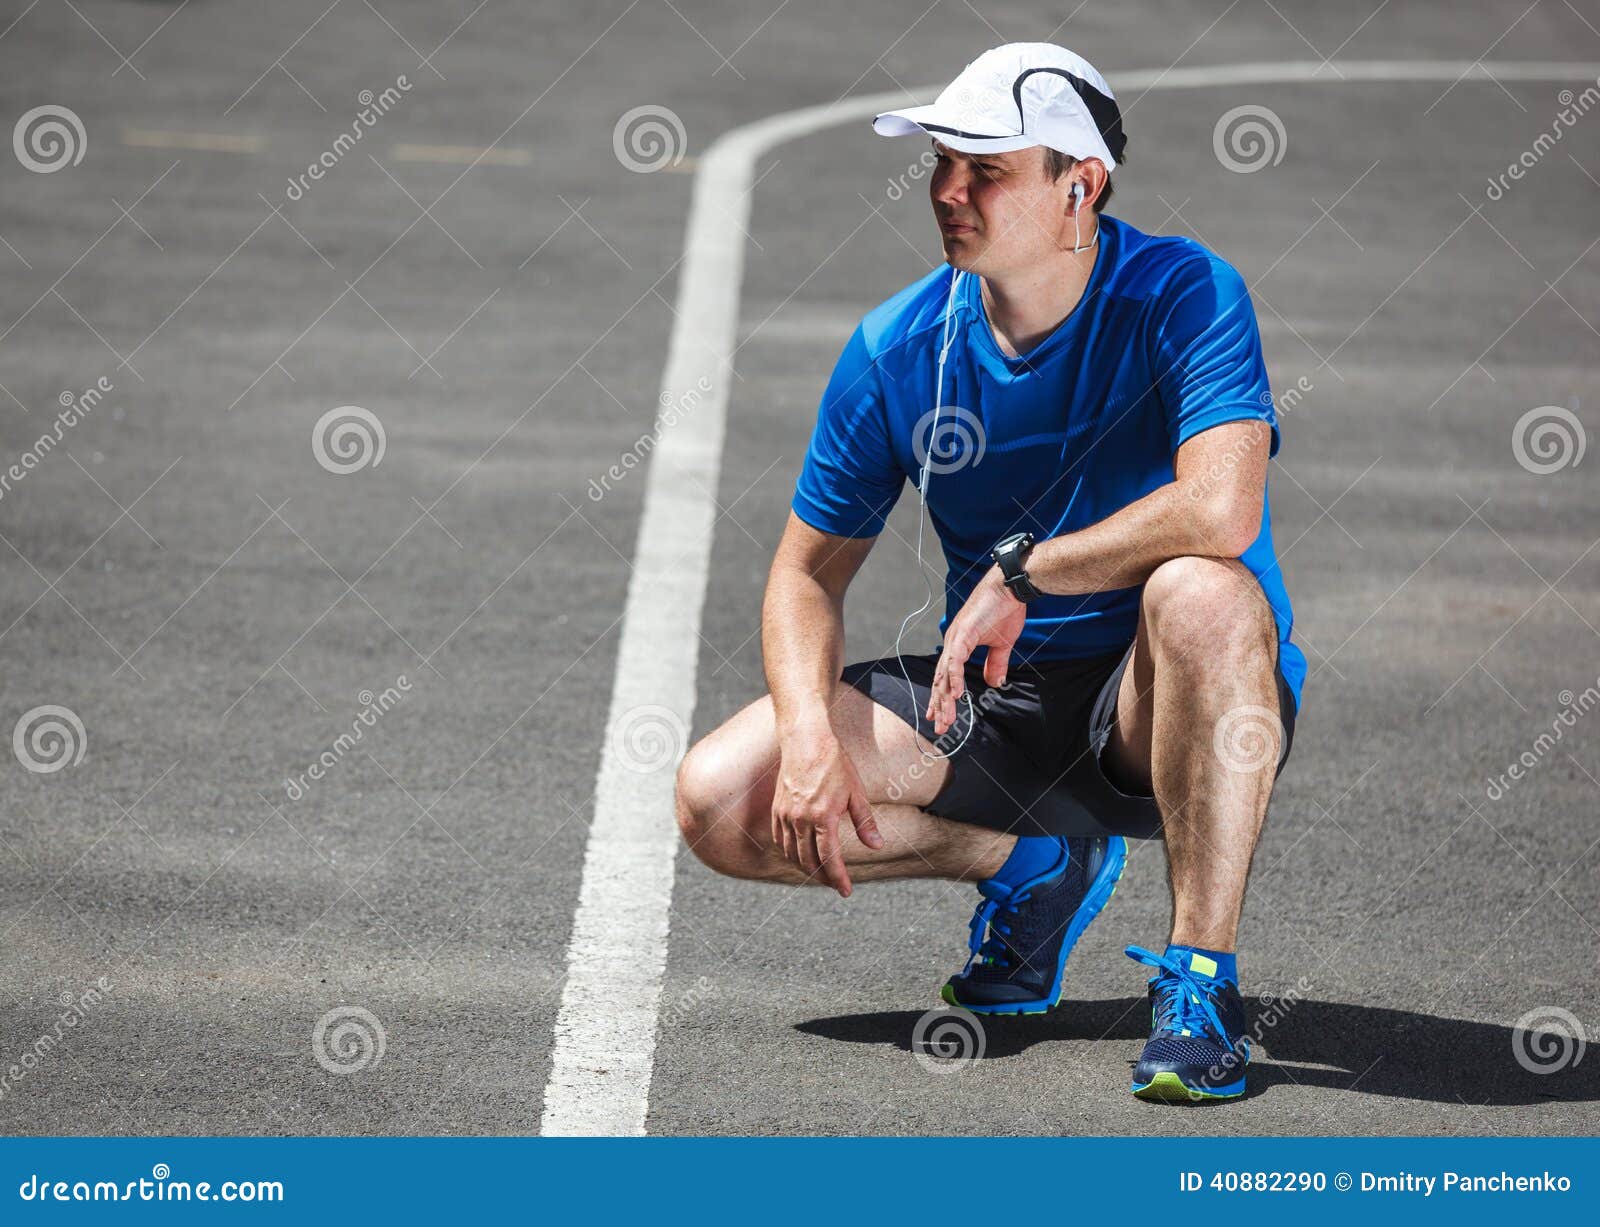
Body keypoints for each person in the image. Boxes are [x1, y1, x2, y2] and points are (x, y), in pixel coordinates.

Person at [674, 42, 1305, 1103]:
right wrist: (810, 738)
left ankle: (1198, 980)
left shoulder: (1184, 294)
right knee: (718, 802)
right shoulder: (899, 347)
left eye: (985, 170)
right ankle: (1031, 867)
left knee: (1199, 589)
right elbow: (803, 576)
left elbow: (1221, 507)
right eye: (941, 164)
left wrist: (1025, 572)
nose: (948, 193)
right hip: (1003, 700)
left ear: (1080, 186)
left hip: (1162, 699)